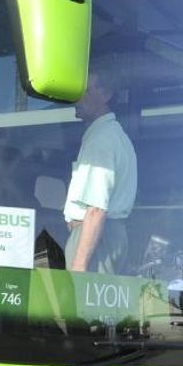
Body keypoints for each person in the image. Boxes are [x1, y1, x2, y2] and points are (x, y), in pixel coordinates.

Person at [63, 68, 138, 273]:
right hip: (105, 237)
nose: (77, 98)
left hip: (95, 239)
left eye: (86, 91)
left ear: (106, 95)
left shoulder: (101, 140)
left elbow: (95, 209)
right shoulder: (114, 135)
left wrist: (79, 265)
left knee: (83, 302)